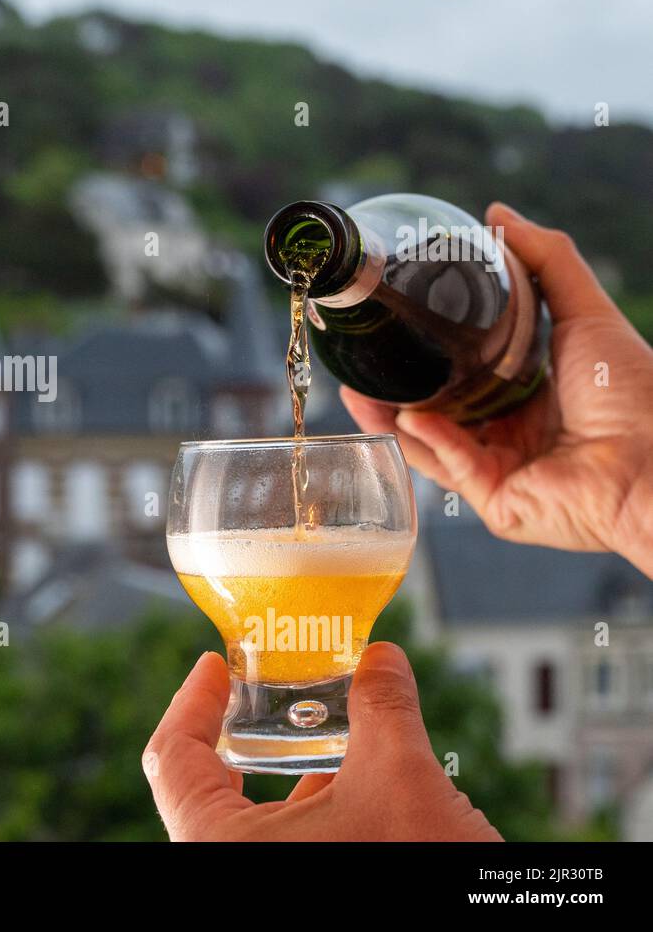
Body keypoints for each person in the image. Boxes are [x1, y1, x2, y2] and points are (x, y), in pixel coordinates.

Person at [146, 204, 653, 840]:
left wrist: (633, 476)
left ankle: (279, 723)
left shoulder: (431, 261)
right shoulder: (394, 299)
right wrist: (632, 486)